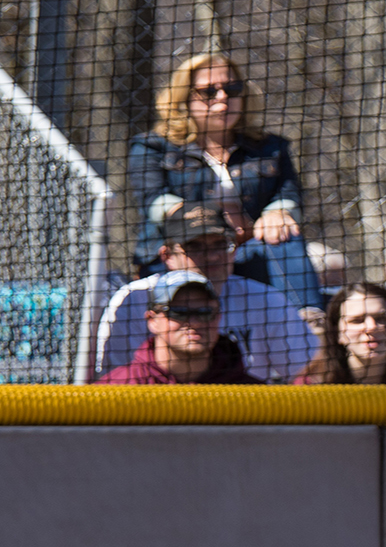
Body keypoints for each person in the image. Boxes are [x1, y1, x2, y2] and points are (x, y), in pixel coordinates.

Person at [128, 52, 322, 309]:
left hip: (251, 249)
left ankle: (311, 326)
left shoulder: (270, 147)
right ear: (184, 98)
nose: (223, 98)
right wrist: (216, 224)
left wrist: (279, 212)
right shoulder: (152, 148)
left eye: (232, 89)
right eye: (208, 92)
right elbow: (156, 202)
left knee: (285, 239)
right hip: (184, 251)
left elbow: (288, 193)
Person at [95, 204, 318, 382]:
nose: (212, 257)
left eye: (220, 245)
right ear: (167, 256)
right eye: (196, 247)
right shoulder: (134, 299)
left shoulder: (266, 300)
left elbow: (306, 373)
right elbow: (113, 375)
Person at [94, 270, 262, 385]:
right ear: (152, 320)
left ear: (219, 316)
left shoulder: (249, 393)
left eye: (205, 312)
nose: (195, 323)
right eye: (179, 313)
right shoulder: (121, 386)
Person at [294, 282, 386, 384]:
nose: (372, 327)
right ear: (337, 332)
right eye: (357, 320)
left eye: (382, 318)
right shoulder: (311, 385)